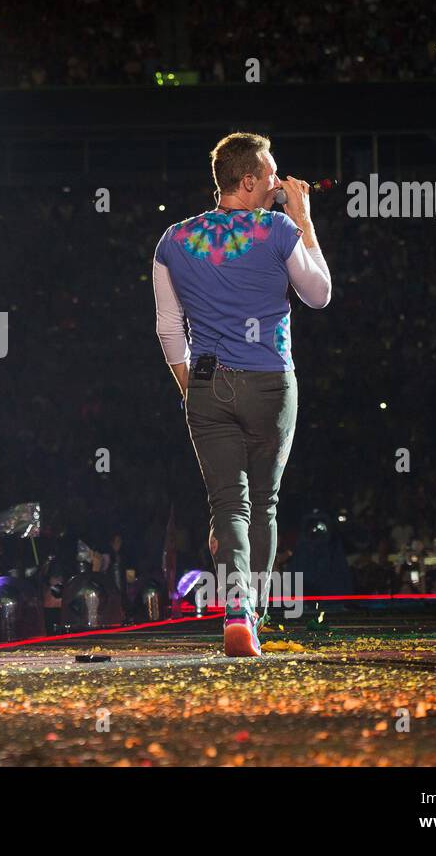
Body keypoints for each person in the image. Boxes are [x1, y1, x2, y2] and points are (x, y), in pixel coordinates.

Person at [153, 132, 331, 656]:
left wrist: (193, 389)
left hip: (207, 381)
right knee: (264, 504)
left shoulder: (174, 240)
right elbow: (319, 295)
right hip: (269, 380)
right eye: (272, 176)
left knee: (228, 504)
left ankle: (236, 612)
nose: (279, 183)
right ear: (248, 181)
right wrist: (304, 216)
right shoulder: (278, 228)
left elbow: (168, 328)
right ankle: (251, 612)